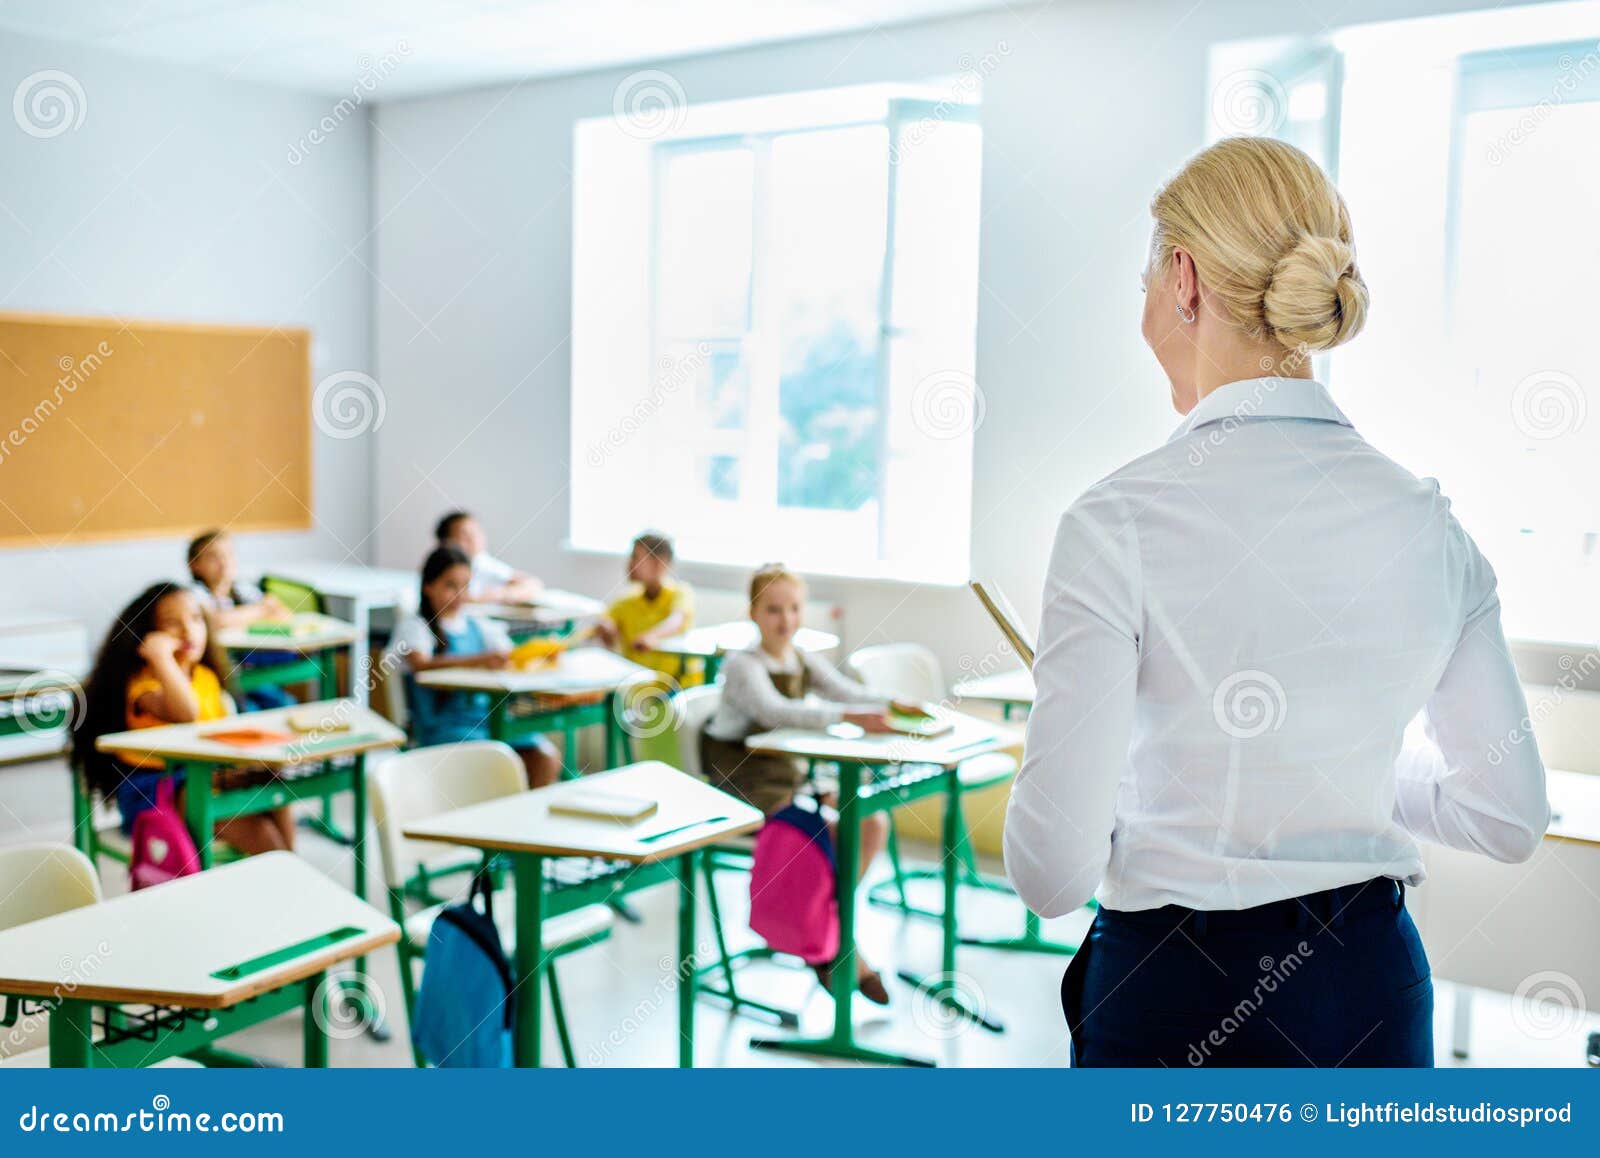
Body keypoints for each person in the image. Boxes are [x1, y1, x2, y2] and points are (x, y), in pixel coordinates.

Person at [1003, 136, 1549, 1068]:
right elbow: (1509, 814)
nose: (1143, 309)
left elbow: (1051, 874)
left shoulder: (1116, 522)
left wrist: (1136, 773)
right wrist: (1348, 775)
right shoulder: (1430, 523)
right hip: (1373, 991)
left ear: (1183, 281)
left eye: (1145, 281)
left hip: (1177, 1000)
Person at [700, 564, 903, 1004]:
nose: (785, 620)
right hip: (745, 783)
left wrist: (898, 707)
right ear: (753, 612)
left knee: (872, 822)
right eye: (773, 609)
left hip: (788, 778)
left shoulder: (800, 658)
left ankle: (827, 931)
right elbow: (776, 712)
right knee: (825, 837)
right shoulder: (743, 665)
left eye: (793, 608)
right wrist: (852, 718)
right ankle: (838, 952)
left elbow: (843, 691)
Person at [71, 582, 294, 854]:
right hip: (155, 790)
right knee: (260, 832)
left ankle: (290, 867)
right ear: (149, 636)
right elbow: (185, 713)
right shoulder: (143, 686)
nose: (189, 631)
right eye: (171, 623)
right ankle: (287, 881)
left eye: (196, 619)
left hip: (205, 776)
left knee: (273, 780)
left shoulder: (207, 677)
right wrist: (161, 657)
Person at [392, 545, 562, 788]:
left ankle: (519, 821)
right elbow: (421, 664)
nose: (459, 594)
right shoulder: (416, 626)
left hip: (486, 721)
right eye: (450, 585)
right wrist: (480, 660)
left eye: (465, 586)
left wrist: (542, 655)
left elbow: (508, 654)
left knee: (544, 757)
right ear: (428, 586)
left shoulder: (477, 623)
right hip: (444, 728)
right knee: (500, 763)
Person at [186, 528, 296, 710]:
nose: (223, 562)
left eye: (228, 555)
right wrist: (260, 610)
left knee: (285, 703)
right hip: (223, 671)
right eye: (213, 557)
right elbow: (215, 621)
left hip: (254, 663)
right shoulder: (194, 594)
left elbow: (283, 613)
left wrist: (250, 613)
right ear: (194, 564)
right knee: (248, 710)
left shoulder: (242, 588)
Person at [593, 531, 695, 680]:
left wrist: (652, 636)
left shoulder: (680, 593)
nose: (629, 564)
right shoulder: (625, 601)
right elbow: (605, 622)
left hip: (674, 687)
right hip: (636, 686)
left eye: (636, 557)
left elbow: (676, 620)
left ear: (658, 563)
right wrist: (605, 628)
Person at [434, 510, 542, 603]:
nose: (474, 539)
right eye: (464, 534)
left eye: (476, 532)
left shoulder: (482, 563)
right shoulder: (438, 567)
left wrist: (496, 595)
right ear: (446, 542)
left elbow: (533, 584)